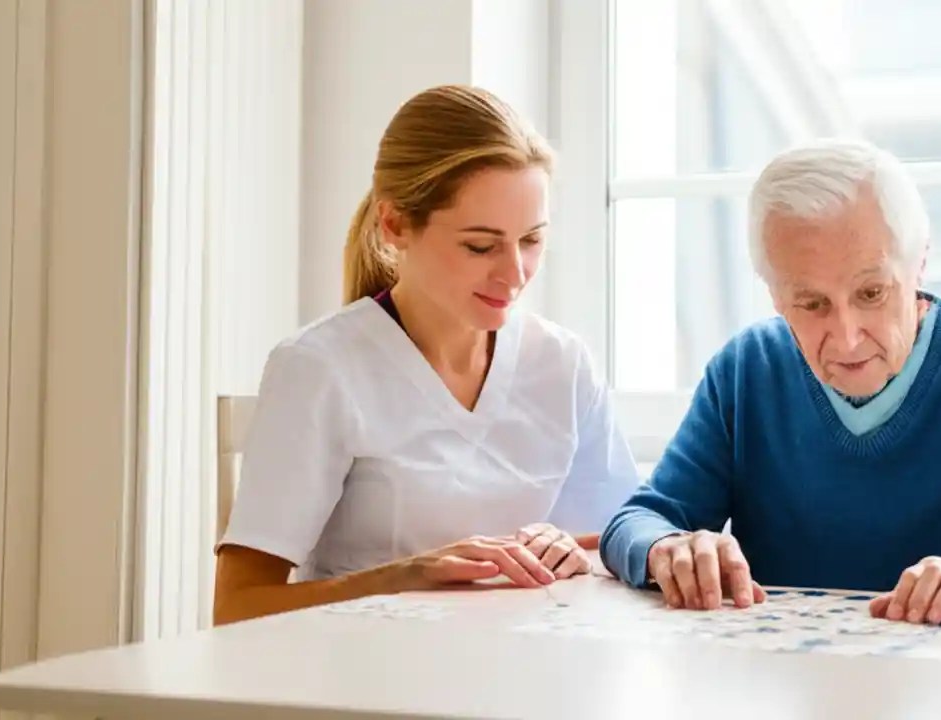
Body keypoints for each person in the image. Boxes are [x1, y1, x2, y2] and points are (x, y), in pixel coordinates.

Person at [600, 139, 941, 625]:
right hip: (791, 692)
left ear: (919, 263)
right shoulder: (745, 371)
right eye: (811, 303)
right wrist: (666, 549)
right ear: (774, 295)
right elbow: (635, 522)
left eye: (871, 293)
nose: (846, 338)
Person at [214, 85, 641, 625]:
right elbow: (237, 609)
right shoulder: (319, 367)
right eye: (480, 246)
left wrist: (571, 550)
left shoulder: (562, 363)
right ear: (394, 225)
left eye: (531, 240)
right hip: (363, 684)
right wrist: (403, 578)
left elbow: (621, 546)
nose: (515, 274)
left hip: (522, 678)